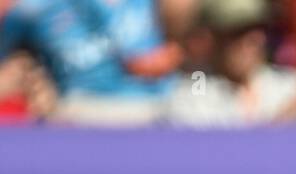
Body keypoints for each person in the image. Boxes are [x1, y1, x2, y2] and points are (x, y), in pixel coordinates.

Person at [166, 0, 296, 126]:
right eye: (237, 32)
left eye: (258, 29)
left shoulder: (288, 84)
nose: (252, 41)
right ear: (210, 37)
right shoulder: (195, 91)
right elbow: (232, 158)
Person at [0, 0, 180, 124]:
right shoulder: (31, 10)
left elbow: (149, 64)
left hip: (155, 103)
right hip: (84, 106)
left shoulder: (135, 5)